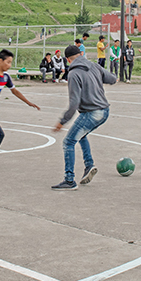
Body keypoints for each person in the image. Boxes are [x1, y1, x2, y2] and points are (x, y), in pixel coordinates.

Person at [52, 43, 117, 190]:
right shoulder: (94, 66)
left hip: (92, 112)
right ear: (81, 54)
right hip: (105, 110)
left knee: (68, 142)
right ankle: (89, 165)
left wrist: (62, 121)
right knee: (81, 135)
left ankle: (69, 180)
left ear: (68, 60)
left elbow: (74, 103)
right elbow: (112, 78)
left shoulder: (73, 74)